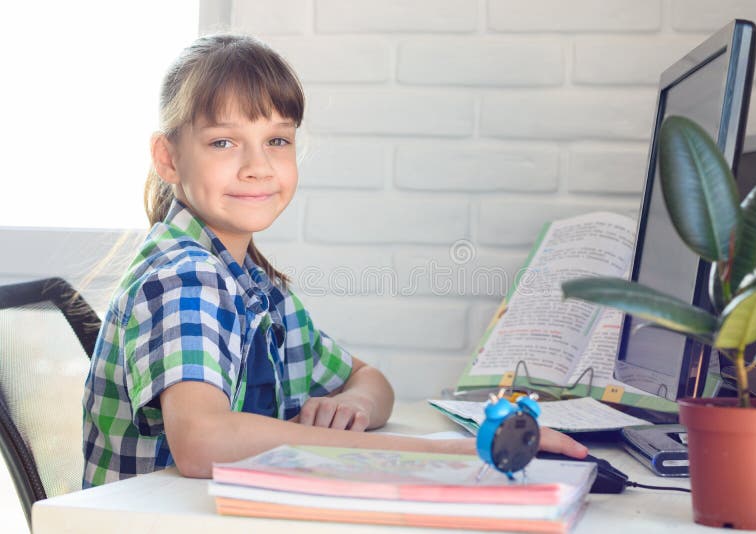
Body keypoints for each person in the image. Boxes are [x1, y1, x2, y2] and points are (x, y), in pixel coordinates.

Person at [82, 34, 587, 488]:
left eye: (277, 140)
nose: (258, 167)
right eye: (223, 142)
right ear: (168, 158)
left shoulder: (256, 287)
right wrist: (444, 453)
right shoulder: (183, 277)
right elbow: (202, 440)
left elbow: (373, 382)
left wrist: (352, 405)